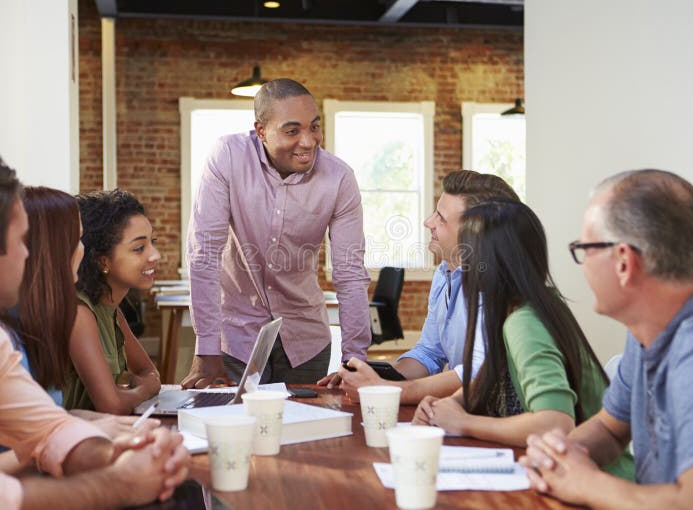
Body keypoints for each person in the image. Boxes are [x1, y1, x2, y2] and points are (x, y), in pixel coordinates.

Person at [0, 148, 188, 508]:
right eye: (23, 241)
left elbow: (49, 429)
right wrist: (120, 483)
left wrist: (121, 451)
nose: (31, 253)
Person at [521, 170, 693, 507]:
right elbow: (610, 429)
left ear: (624, 261)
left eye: (585, 249)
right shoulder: (649, 329)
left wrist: (587, 483)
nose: (582, 264)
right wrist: (558, 457)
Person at [412, 199, 633, 478]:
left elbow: (555, 424)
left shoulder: (523, 323)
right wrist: (449, 406)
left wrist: (465, 423)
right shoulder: (519, 310)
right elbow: (487, 378)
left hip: (596, 484)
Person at [183, 78, 371, 388]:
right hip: (236, 337)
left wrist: (354, 358)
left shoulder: (339, 179)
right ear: (261, 131)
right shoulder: (227, 156)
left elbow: (350, 273)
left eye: (314, 127)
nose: (308, 141)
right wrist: (206, 346)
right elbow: (204, 254)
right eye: (292, 130)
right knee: (234, 431)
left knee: (304, 434)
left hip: (306, 341)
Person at [0, 187, 157, 462]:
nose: (82, 250)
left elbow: (41, 415)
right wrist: (84, 427)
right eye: (76, 240)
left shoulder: (36, 318)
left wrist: (84, 422)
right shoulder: (4, 335)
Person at [333, 170, 520, 403]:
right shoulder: (445, 274)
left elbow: (477, 372)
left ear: (476, 232)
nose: (428, 222)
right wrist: (373, 377)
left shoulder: (495, 285)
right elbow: (429, 353)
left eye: (441, 218)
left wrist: (386, 391)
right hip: (465, 406)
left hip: (499, 414)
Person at [64, 189, 162, 414]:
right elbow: (111, 404)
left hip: (107, 433)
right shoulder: (81, 313)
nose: (155, 255)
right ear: (102, 260)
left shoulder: (110, 308)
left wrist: (135, 387)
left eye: (152, 242)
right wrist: (144, 389)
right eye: (139, 248)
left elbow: (149, 372)